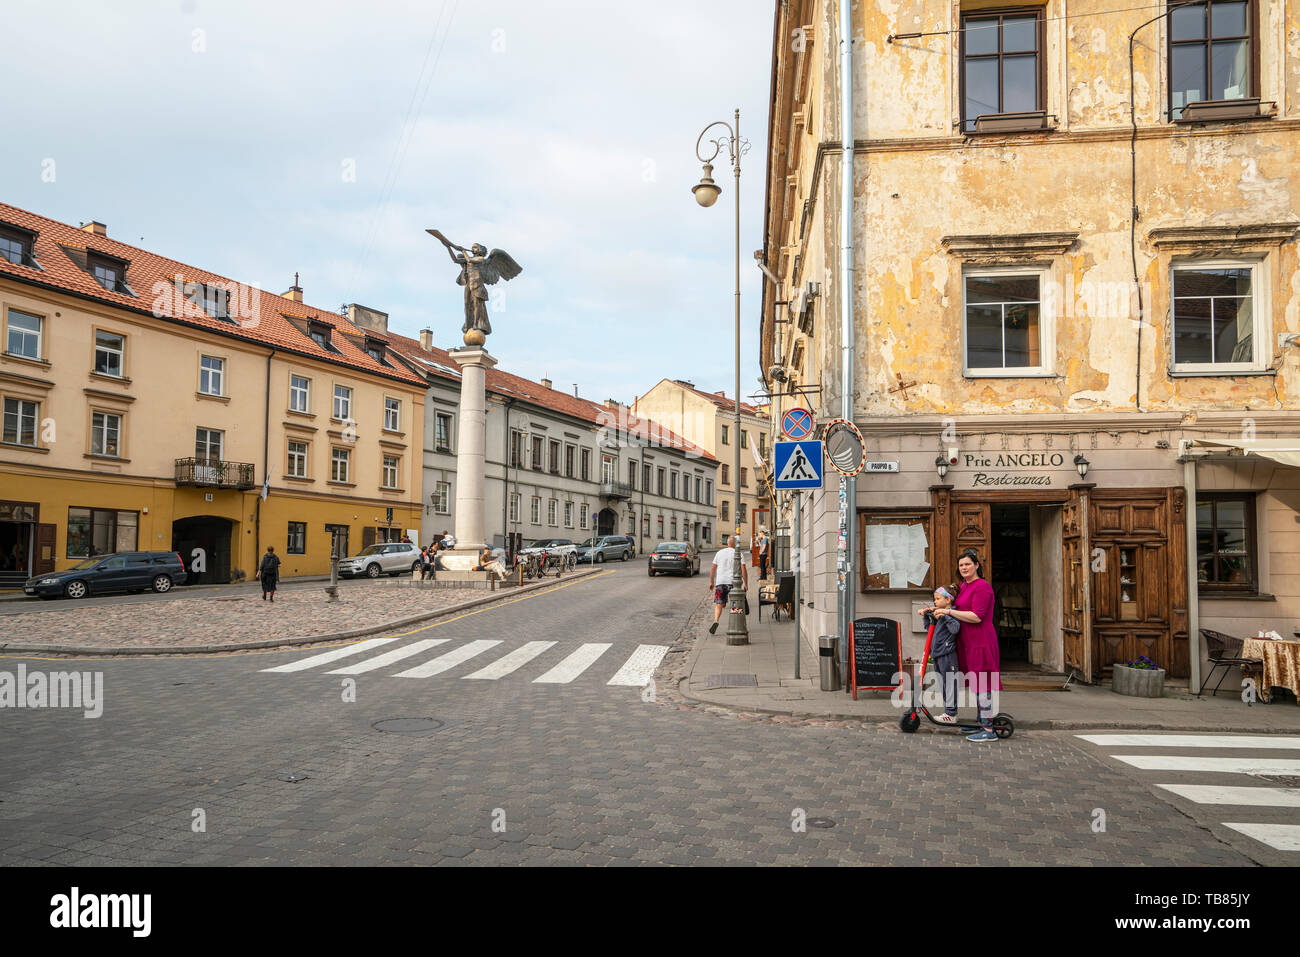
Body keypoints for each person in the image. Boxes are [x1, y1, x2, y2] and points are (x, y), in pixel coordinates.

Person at [933, 549, 1002, 742]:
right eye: (961, 565)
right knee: (975, 683)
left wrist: (949, 614)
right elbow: (951, 605)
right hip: (966, 642)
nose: (964, 567)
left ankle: (988, 731)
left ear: (977, 565)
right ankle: (981, 722)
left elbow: (976, 616)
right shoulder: (963, 586)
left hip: (980, 641)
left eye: (968, 564)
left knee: (983, 683)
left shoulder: (982, 587)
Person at [919, 586, 961, 723]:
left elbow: (955, 629)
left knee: (950, 684)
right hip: (937, 654)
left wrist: (945, 616)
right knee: (943, 684)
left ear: (948, 600)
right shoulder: (940, 614)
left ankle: (951, 714)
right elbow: (928, 628)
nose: (935, 602)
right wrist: (927, 616)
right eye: (934, 599)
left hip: (947, 654)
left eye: (938, 599)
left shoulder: (952, 613)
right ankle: (948, 712)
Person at [708, 535, 749, 635]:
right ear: (735, 544)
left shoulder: (719, 553)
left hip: (720, 582)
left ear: (727, 543)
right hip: (733, 582)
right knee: (735, 603)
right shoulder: (738, 553)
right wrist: (746, 583)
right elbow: (743, 569)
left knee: (719, 604)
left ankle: (716, 620)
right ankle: (736, 623)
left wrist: (711, 582)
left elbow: (713, 568)